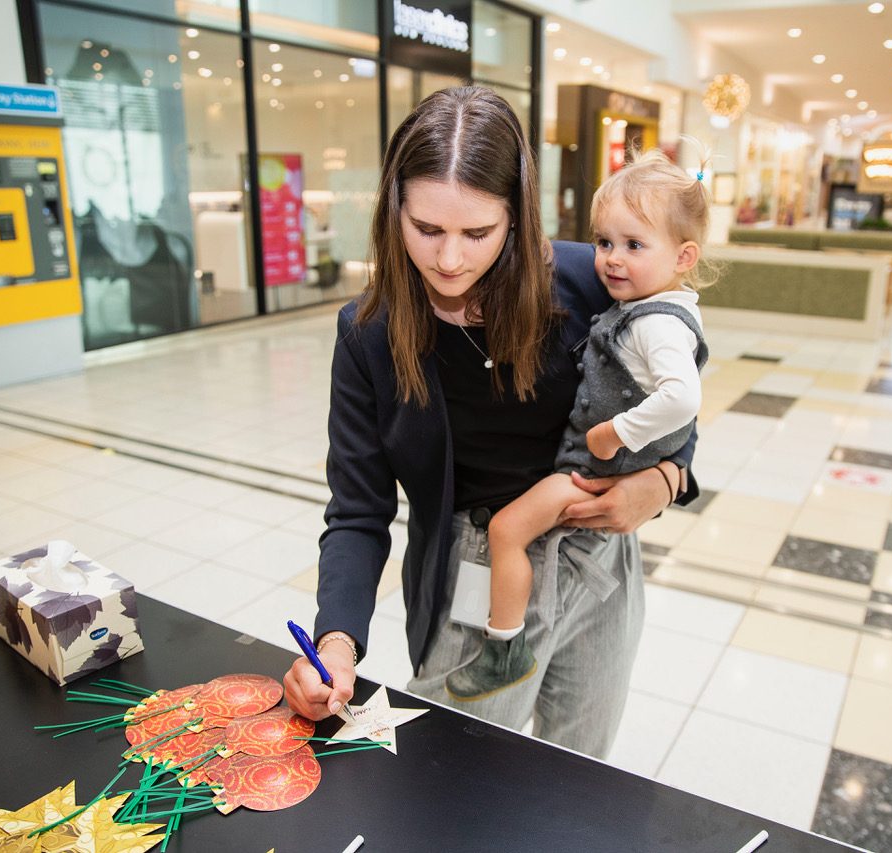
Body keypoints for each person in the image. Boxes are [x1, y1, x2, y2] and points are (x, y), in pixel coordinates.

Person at [281, 86, 698, 759]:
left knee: (580, 774)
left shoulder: (588, 285)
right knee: (452, 774)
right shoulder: (370, 334)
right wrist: (335, 643)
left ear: (518, 215)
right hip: (474, 572)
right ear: (395, 212)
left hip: (599, 562)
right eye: (426, 229)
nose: (449, 260)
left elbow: (675, 389)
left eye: (477, 232)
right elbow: (358, 510)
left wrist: (669, 479)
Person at [443, 149, 711, 701]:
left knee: (506, 531)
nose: (611, 259)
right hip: (599, 480)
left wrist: (628, 444)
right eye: (605, 241)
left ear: (684, 256)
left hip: (591, 474)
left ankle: (503, 647)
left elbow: (683, 400)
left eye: (634, 245)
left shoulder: (653, 321)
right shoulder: (647, 299)